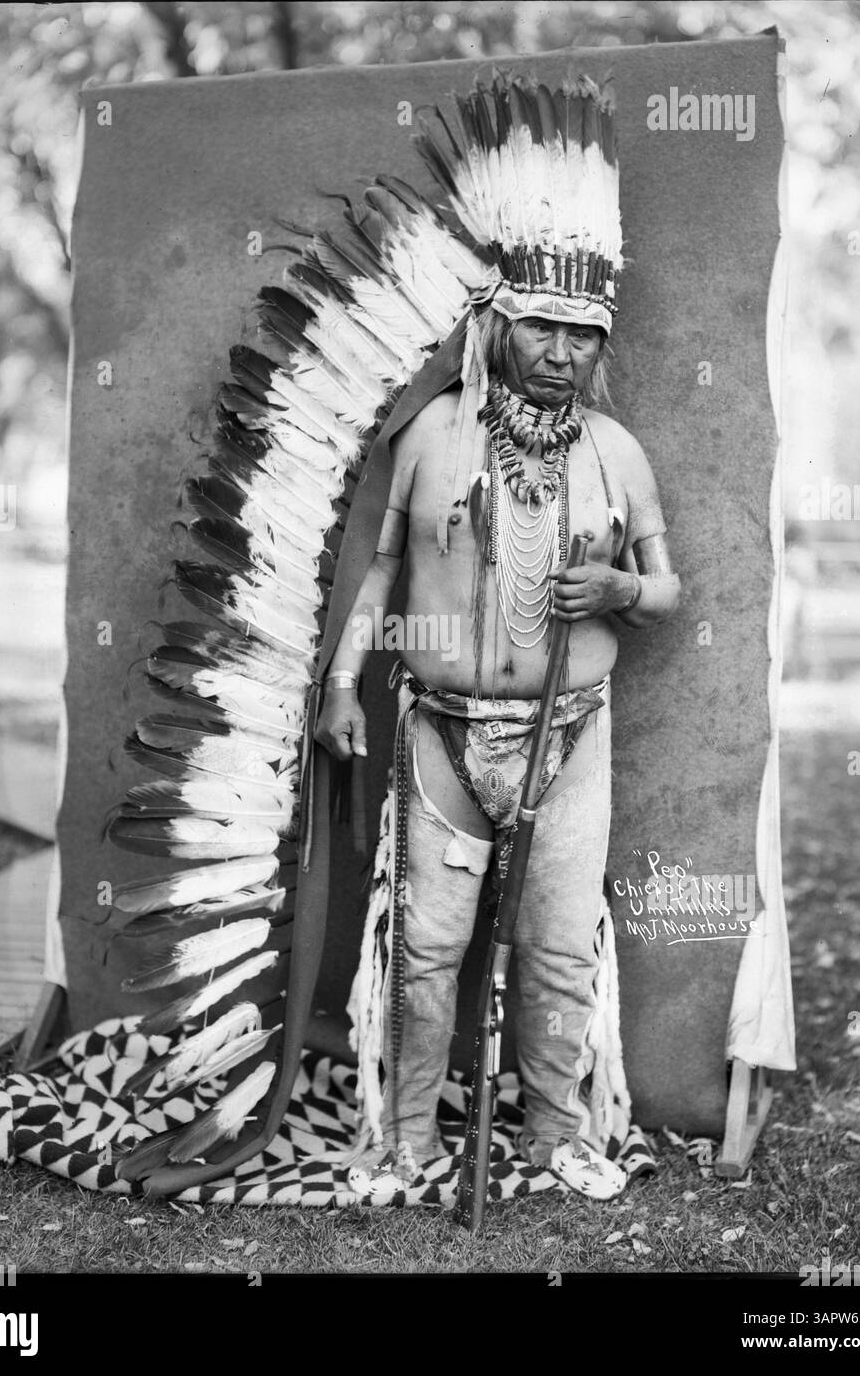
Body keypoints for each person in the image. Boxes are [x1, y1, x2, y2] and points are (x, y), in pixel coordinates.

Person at [314, 295, 680, 1199]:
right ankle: (406, 1138)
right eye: (540, 330)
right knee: (426, 946)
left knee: (558, 948)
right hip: (439, 724)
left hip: (570, 733)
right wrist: (336, 683)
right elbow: (384, 569)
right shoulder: (433, 434)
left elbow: (667, 589)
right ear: (497, 329)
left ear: (601, 343)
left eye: (583, 335)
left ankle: (555, 1134)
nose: (560, 354)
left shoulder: (615, 451)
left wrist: (616, 589)